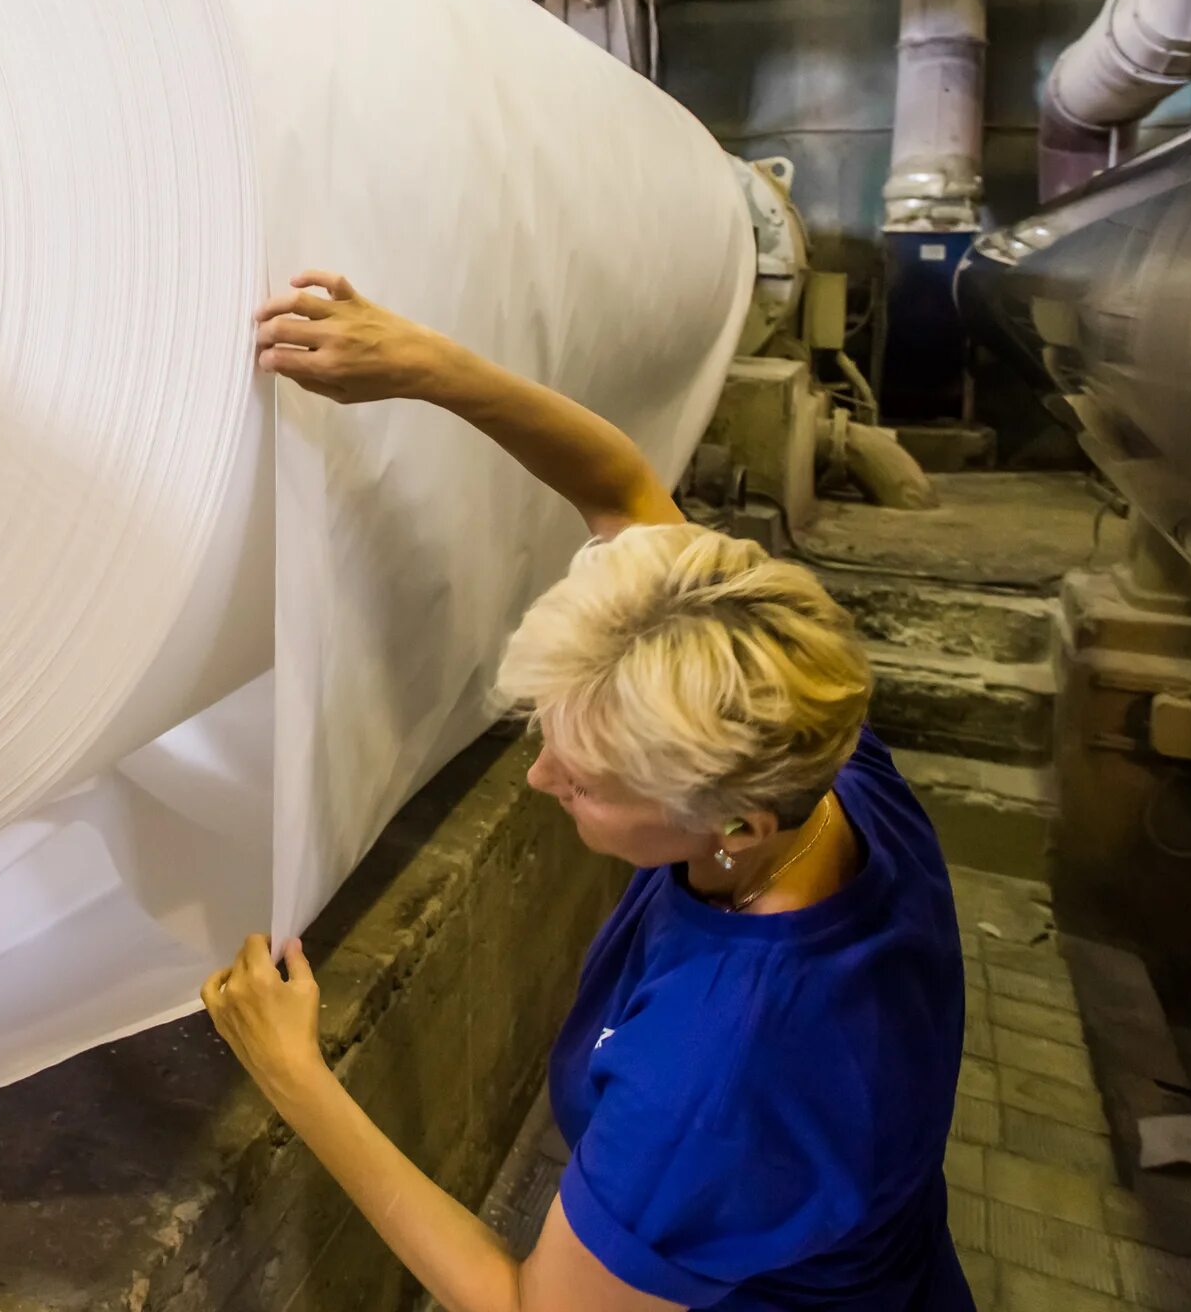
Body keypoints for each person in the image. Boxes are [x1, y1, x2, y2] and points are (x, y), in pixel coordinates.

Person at [202, 273, 971, 1312]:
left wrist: (296, 1072)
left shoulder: (724, 1069)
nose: (539, 776)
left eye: (587, 780)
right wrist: (426, 364)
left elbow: (528, 1304)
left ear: (733, 822)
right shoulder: (804, 732)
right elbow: (623, 492)